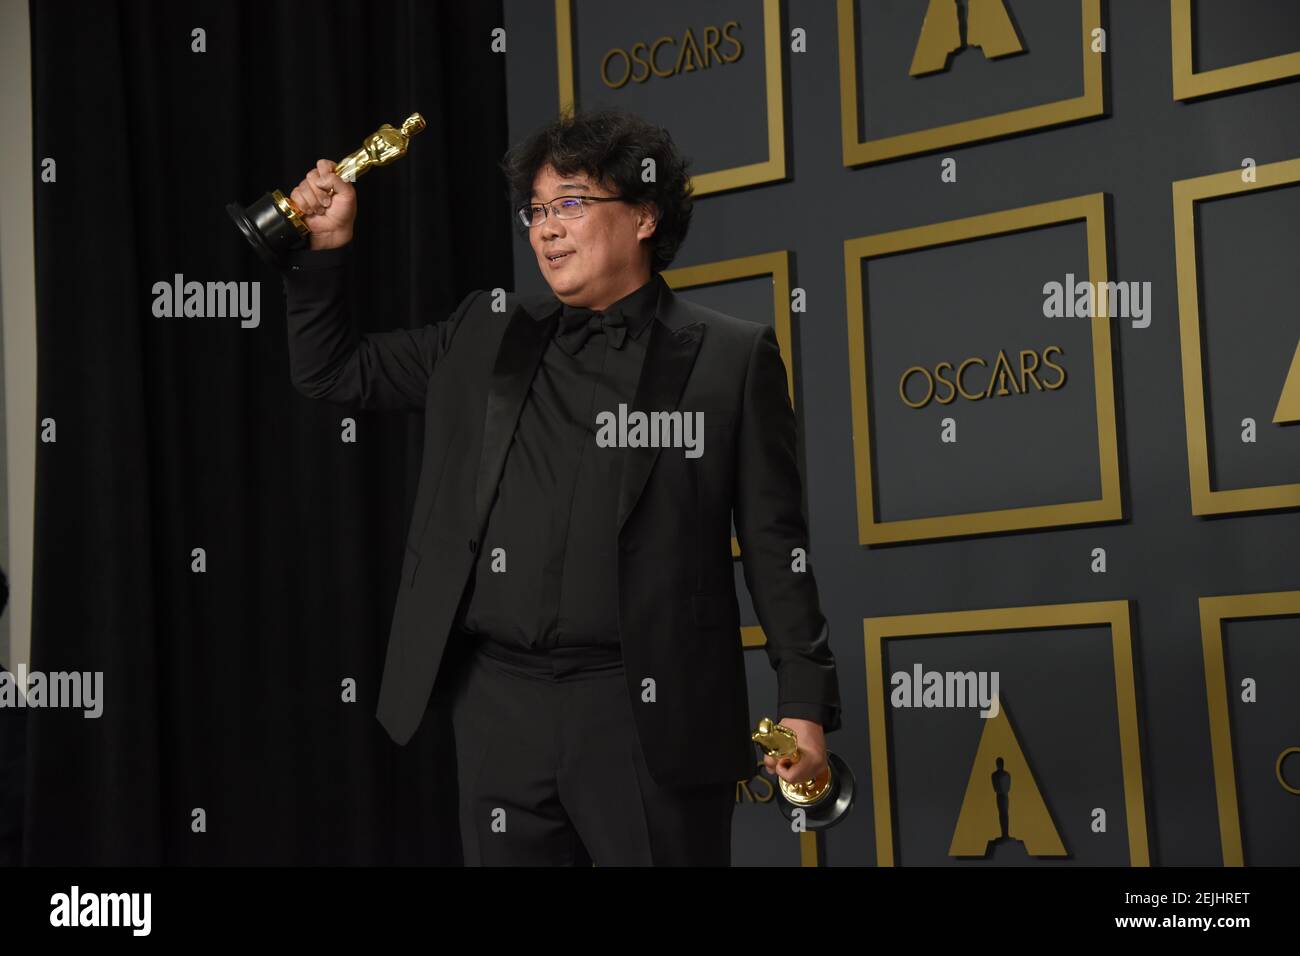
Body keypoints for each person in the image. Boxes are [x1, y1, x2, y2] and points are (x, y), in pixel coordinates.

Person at [279, 108, 841, 865]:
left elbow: (777, 548)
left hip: (647, 712)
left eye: (572, 204)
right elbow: (331, 371)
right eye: (537, 210)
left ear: (644, 215)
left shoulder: (731, 360)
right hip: (498, 705)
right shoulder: (483, 332)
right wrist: (324, 250)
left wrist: (803, 706)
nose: (546, 229)